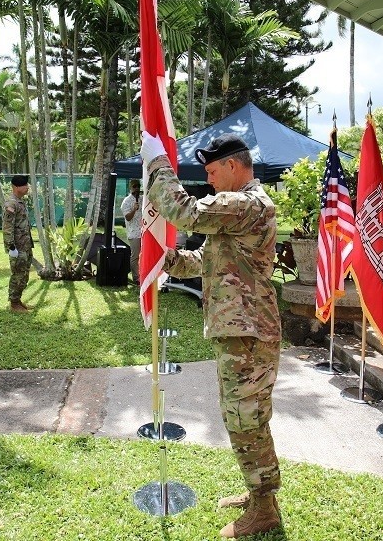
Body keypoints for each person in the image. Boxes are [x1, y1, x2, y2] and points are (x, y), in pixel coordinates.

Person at [141, 131, 282, 538]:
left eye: (214, 170)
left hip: (249, 333)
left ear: (235, 167)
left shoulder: (249, 203)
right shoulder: (239, 213)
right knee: (242, 416)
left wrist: (158, 164)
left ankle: (264, 505)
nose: (210, 177)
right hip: (240, 330)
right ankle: (259, 494)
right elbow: (205, 260)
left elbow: (183, 212)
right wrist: (163, 259)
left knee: (245, 418)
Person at [3, 174, 34, 313]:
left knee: (24, 275)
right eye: (24, 185)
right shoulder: (11, 203)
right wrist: (11, 247)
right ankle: (14, 303)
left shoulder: (20, 201)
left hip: (25, 245)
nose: (27, 188)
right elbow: (8, 227)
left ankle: (18, 300)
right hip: (17, 247)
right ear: (16, 187)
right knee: (18, 275)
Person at [120, 178, 142, 285]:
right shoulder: (126, 201)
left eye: (138, 186)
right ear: (130, 188)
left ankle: (144, 275)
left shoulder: (143, 199)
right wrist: (134, 209)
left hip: (144, 232)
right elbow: (128, 218)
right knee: (135, 256)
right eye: (134, 186)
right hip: (134, 233)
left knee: (144, 255)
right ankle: (136, 278)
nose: (137, 188)